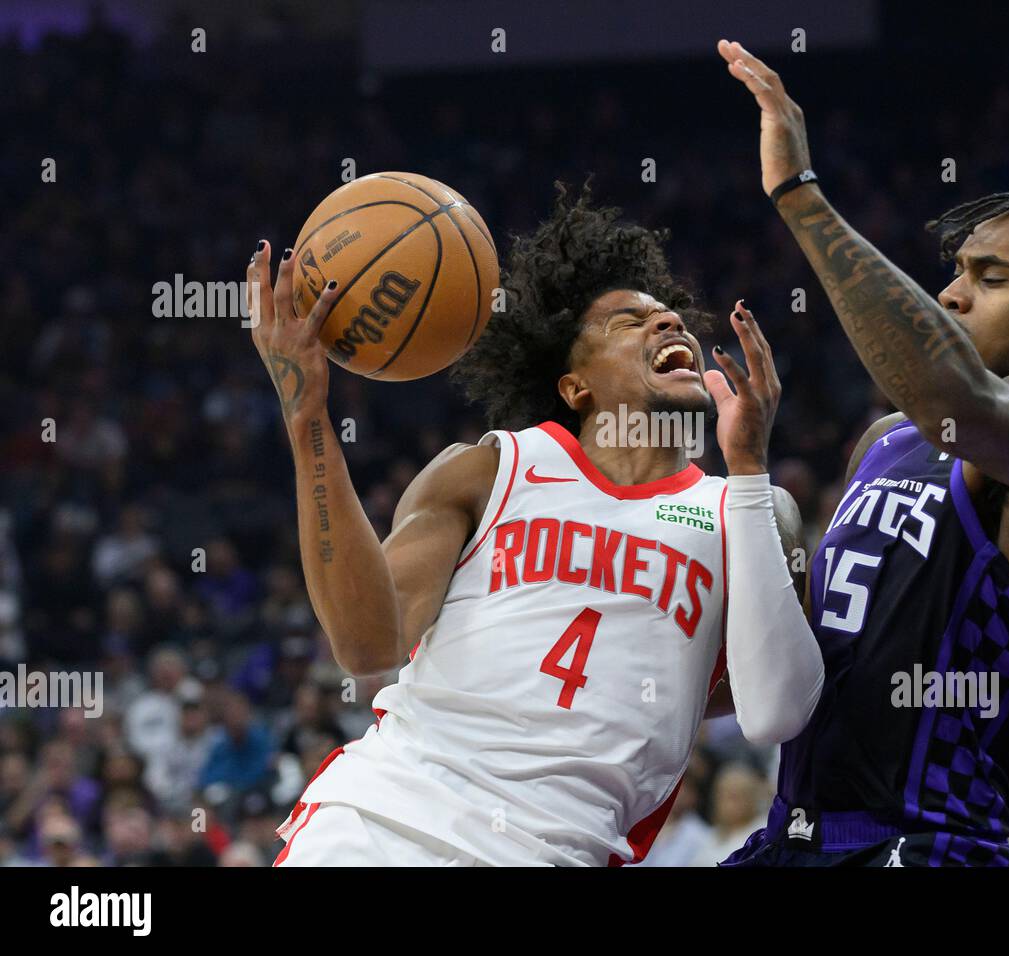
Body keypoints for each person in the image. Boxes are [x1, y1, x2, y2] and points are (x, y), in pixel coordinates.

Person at [250, 185, 823, 866]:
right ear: (574, 387)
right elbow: (367, 643)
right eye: (627, 322)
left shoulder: (747, 512)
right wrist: (309, 414)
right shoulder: (492, 469)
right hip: (383, 823)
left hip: (560, 848)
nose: (668, 324)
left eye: (671, 318)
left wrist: (750, 469)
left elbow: (764, 699)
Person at [715, 39, 1009, 866]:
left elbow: (956, 404)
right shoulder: (884, 441)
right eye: (955, 270)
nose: (951, 292)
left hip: (925, 844)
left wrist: (799, 196)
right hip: (790, 838)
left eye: (990, 279)